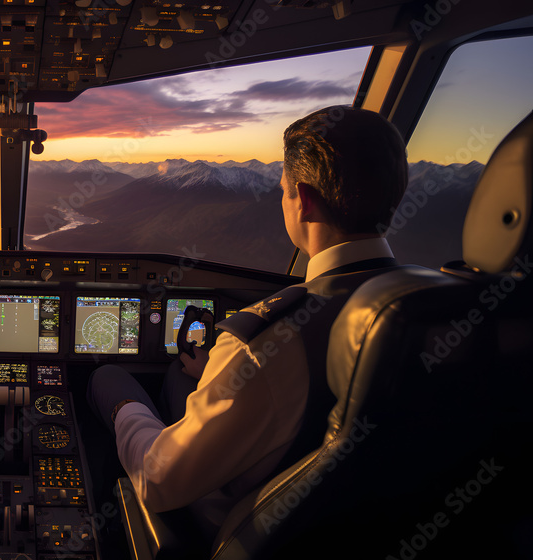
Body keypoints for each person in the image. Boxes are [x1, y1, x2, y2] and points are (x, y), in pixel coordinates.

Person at [88, 106, 409, 547]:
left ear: (304, 200)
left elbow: (157, 480)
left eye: (283, 192)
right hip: (361, 528)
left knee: (108, 378)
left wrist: (126, 409)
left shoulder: (264, 342)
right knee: (181, 375)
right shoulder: (428, 305)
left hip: (239, 531)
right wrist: (218, 373)